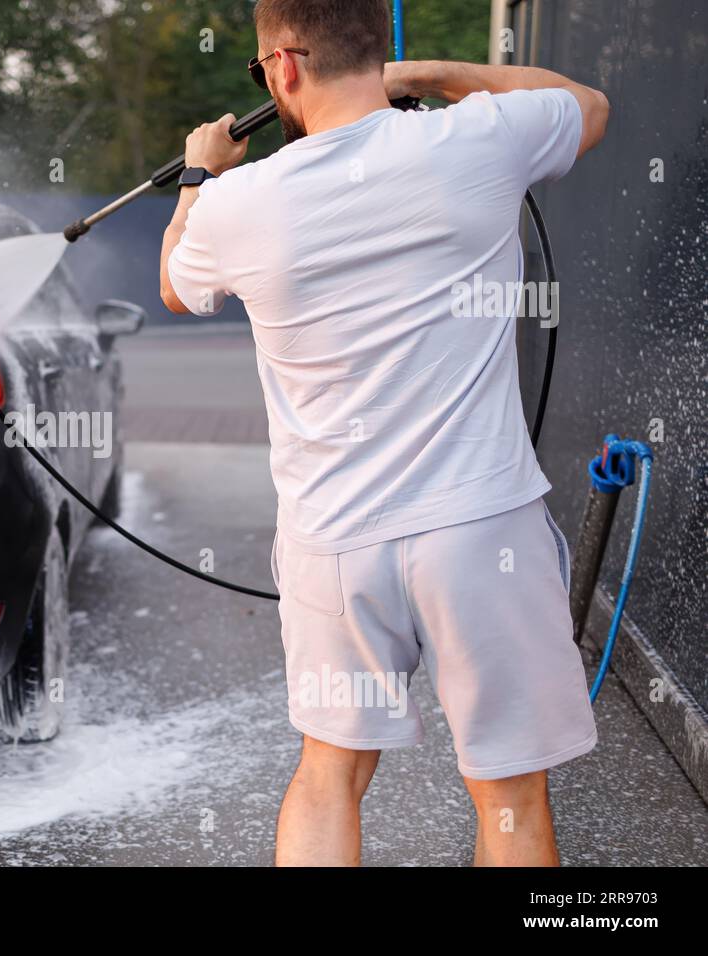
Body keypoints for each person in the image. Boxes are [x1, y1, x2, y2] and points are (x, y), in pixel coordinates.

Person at [159, 0, 609, 866]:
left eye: (262, 71)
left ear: (283, 68)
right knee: (510, 793)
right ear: (376, 52)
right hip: (482, 533)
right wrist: (433, 76)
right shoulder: (480, 139)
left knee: (329, 773)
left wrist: (199, 173)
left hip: (335, 548)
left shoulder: (238, 203)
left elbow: (178, 286)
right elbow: (588, 104)